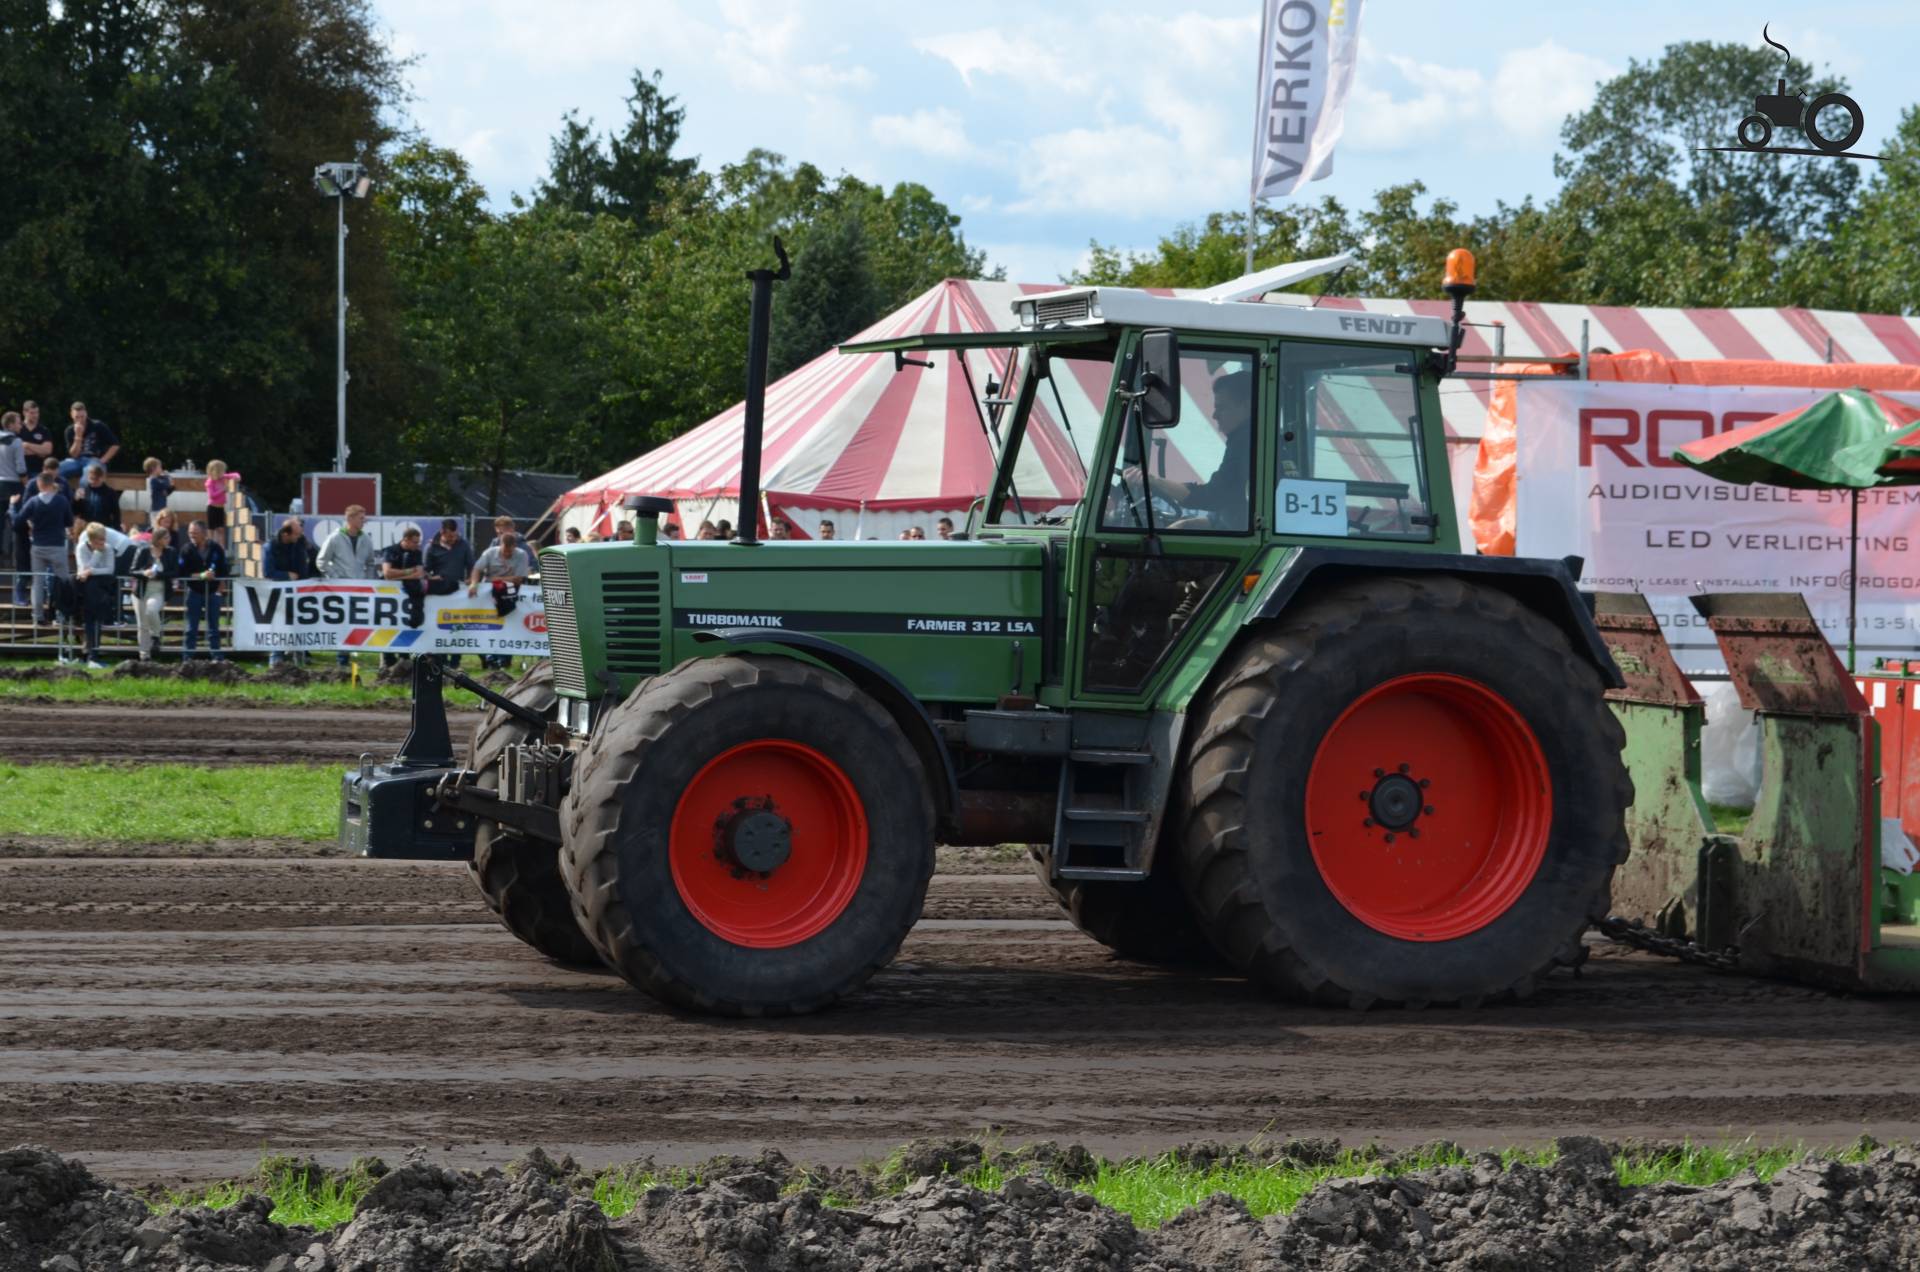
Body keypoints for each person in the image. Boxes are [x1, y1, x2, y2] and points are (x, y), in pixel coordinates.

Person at [1128, 369, 1253, 530]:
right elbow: (1232, 511)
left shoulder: (1245, 444)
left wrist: (1154, 481)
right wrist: (1186, 524)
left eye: (1222, 408)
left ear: (1247, 406)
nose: (1215, 415)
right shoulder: (1247, 441)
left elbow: (1212, 497)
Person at [317, 504, 376, 666]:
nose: (364, 521)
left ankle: (348, 653)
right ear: (350, 519)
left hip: (359, 589)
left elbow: (371, 563)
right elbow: (321, 561)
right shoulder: (335, 537)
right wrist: (337, 578)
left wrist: (368, 582)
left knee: (355, 622)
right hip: (340, 590)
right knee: (343, 623)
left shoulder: (366, 538)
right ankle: (342, 659)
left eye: (364, 518)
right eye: (361, 518)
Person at [10, 472, 72, 624]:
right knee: (62, 581)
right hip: (57, 545)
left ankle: (37, 616)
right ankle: (61, 615)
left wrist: (12, 506)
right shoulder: (62, 500)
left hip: (38, 546)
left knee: (37, 582)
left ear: (39, 484)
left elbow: (17, 522)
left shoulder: (33, 501)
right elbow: (69, 521)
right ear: (52, 483)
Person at [468, 529, 533, 669]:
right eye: (504, 552)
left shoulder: (522, 555)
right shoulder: (490, 553)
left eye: (510, 552)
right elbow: (477, 569)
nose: (507, 554)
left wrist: (496, 578)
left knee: (508, 625)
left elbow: (518, 579)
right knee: (485, 627)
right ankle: (488, 658)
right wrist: (474, 583)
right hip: (488, 596)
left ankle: (504, 659)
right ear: (500, 545)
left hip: (508, 595)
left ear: (515, 547)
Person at [263, 517, 317, 667]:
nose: (299, 537)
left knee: (300, 626)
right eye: (296, 534)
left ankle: (300, 661)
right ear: (286, 534)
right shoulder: (270, 547)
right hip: (279, 593)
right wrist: (287, 575)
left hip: (299, 592)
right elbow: (268, 572)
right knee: (279, 626)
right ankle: (276, 660)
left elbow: (309, 562)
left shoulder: (300, 543)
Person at [424, 519, 474, 667]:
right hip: (439, 592)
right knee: (439, 625)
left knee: (457, 626)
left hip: (458, 592)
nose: (453, 539)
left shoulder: (463, 545)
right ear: (442, 533)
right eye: (450, 537)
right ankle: (441, 658)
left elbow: (472, 565)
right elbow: (425, 570)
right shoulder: (431, 547)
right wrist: (432, 577)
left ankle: (456, 660)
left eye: (455, 536)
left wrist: (471, 579)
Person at [177, 518, 227, 659]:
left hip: (213, 592)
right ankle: (187, 659)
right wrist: (200, 575)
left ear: (205, 533)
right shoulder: (186, 550)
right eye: (190, 533)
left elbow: (224, 570)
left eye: (195, 533)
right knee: (191, 628)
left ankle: (217, 658)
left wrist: (219, 588)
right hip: (194, 592)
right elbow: (181, 573)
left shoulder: (216, 548)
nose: (192, 536)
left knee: (214, 628)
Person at [380, 525, 427, 665]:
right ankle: (387, 660)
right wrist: (408, 572)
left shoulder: (417, 553)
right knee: (388, 627)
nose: (417, 545)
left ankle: (404, 658)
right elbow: (387, 573)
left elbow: (419, 573)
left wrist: (399, 574)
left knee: (407, 625)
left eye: (418, 542)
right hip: (390, 598)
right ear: (405, 540)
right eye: (414, 542)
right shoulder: (391, 550)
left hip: (409, 597)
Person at [73, 522, 116, 668]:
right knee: (89, 622)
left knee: (95, 621)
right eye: (99, 541)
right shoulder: (81, 548)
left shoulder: (108, 548)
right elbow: (82, 570)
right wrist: (97, 554)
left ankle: (93, 655)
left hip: (102, 588)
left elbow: (109, 570)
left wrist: (91, 572)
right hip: (85, 590)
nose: (103, 543)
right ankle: (89, 655)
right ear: (91, 540)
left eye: (104, 539)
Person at [129, 525, 176, 660]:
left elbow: (174, 572)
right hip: (140, 591)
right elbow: (132, 570)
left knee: (151, 610)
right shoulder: (143, 550)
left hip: (158, 590)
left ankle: (155, 636)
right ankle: (144, 656)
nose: (169, 539)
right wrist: (144, 573)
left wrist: (158, 575)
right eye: (166, 537)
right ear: (158, 539)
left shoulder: (171, 552)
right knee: (142, 625)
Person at [62, 401, 119, 488]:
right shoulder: (69, 430)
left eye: (82, 416)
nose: (80, 420)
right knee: (54, 472)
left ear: (86, 413)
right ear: (71, 415)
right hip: (77, 460)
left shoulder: (97, 425)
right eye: (77, 417)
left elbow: (115, 445)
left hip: (95, 460)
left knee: (85, 480)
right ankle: (64, 499)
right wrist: (78, 436)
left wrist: (102, 460)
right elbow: (74, 454)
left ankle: (84, 500)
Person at [73, 462, 121, 531]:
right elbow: (75, 511)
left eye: (96, 479)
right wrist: (76, 500)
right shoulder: (83, 491)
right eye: (91, 479)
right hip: (87, 527)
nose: (93, 482)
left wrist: (117, 529)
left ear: (102, 478)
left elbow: (116, 513)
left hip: (104, 527)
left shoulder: (110, 493)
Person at [203, 459, 237, 548]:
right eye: (222, 470)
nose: (224, 472)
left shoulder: (223, 477)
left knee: (221, 529)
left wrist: (236, 478)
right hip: (212, 507)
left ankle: (221, 547)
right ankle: (210, 546)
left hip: (220, 507)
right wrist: (223, 489)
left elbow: (236, 475)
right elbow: (212, 495)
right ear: (216, 471)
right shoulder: (210, 482)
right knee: (211, 529)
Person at [143, 457, 172, 524]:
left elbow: (165, 492)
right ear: (153, 468)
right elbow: (166, 484)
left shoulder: (156, 479)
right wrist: (167, 476)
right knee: (156, 527)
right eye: (160, 467)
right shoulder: (153, 480)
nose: (161, 469)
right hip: (156, 510)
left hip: (160, 508)